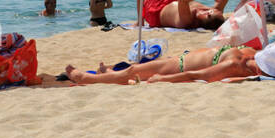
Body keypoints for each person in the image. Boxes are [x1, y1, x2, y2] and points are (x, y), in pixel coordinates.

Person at [61, 44, 262, 85]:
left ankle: (87, 78)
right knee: (142, 68)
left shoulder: (235, 64)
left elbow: (201, 75)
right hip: (181, 59)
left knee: (132, 71)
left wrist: (163, 79)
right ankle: (108, 72)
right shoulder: (253, 54)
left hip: (180, 67)